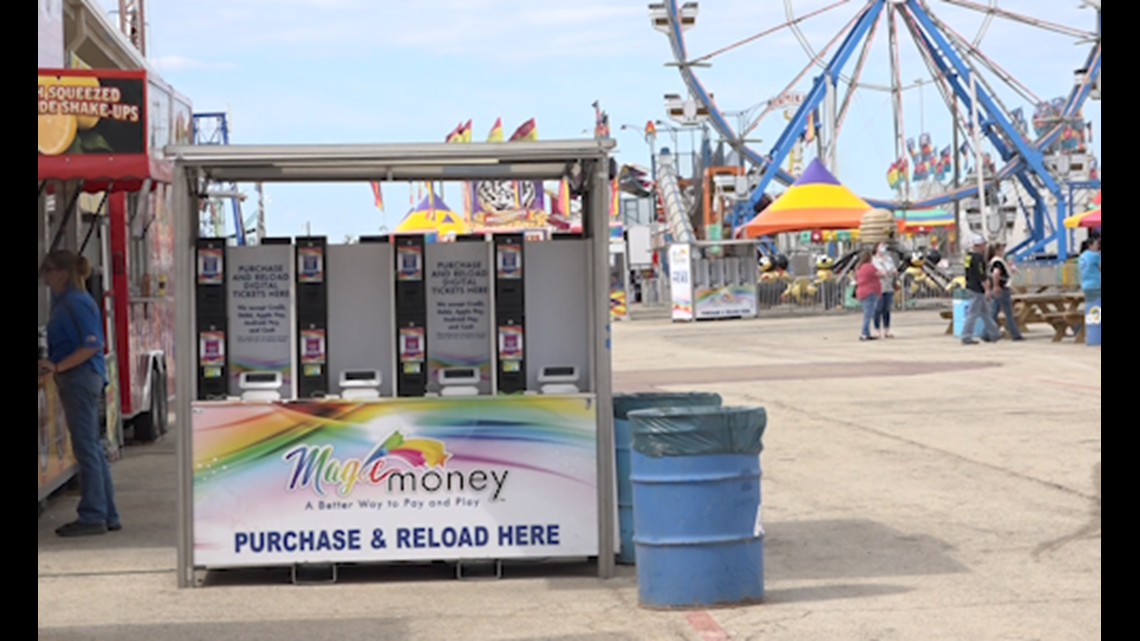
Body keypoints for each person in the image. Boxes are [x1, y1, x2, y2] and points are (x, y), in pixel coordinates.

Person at [38, 250, 120, 537]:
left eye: (47, 271)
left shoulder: (75, 302)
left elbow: (92, 344)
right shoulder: (69, 301)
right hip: (82, 377)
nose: (44, 277)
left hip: (79, 378)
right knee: (93, 448)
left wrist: (57, 365)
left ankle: (93, 514)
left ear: (61, 272)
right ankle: (107, 513)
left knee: (86, 448)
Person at [961, 235, 1001, 345]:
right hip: (977, 288)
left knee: (985, 312)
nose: (985, 247)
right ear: (980, 245)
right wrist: (987, 289)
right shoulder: (978, 258)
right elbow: (981, 275)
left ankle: (994, 333)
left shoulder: (968, 257)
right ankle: (966, 336)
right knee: (973, 314)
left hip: (970, 285)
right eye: (984, 245)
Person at [988, 242, 1025, 341]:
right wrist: (996, 286)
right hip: (1002, 288)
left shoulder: (997, 261)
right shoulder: (997, 261)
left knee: (993, 312)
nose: (1003, 251)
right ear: (997, 251)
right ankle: (1015, 333)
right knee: (1008, 312)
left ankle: (987, 333)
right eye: (1001, 249)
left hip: (999, 288)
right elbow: (996, 273)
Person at [854, 249, 883, 341]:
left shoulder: (858, 268)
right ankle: (864, 333)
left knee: (867, 313)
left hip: (861, 291)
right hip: (870, 291)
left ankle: (867, 333)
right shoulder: (870, 267)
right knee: (868, 314)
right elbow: (881, 274)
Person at [872, 243, 898, 338]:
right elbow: (872, 272)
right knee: (878, 308)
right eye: (881, 246)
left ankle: (887, 330)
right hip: (878, 286)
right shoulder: (873, 260)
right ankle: (877, 330)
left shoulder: (889, 259)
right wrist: (879, 274)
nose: (883, 248)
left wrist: (894, 271)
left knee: (887, 309)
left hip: (888, 285)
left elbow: (893, 268)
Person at [1079, 236, 1101, 305]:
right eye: (1096, 245)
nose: (1098, 247)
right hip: (1095, 284)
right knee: (1097, 306)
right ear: (1090, 246)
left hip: (1086, 285)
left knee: (1090, 305)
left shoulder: (1082, 256)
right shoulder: (1094, 256)